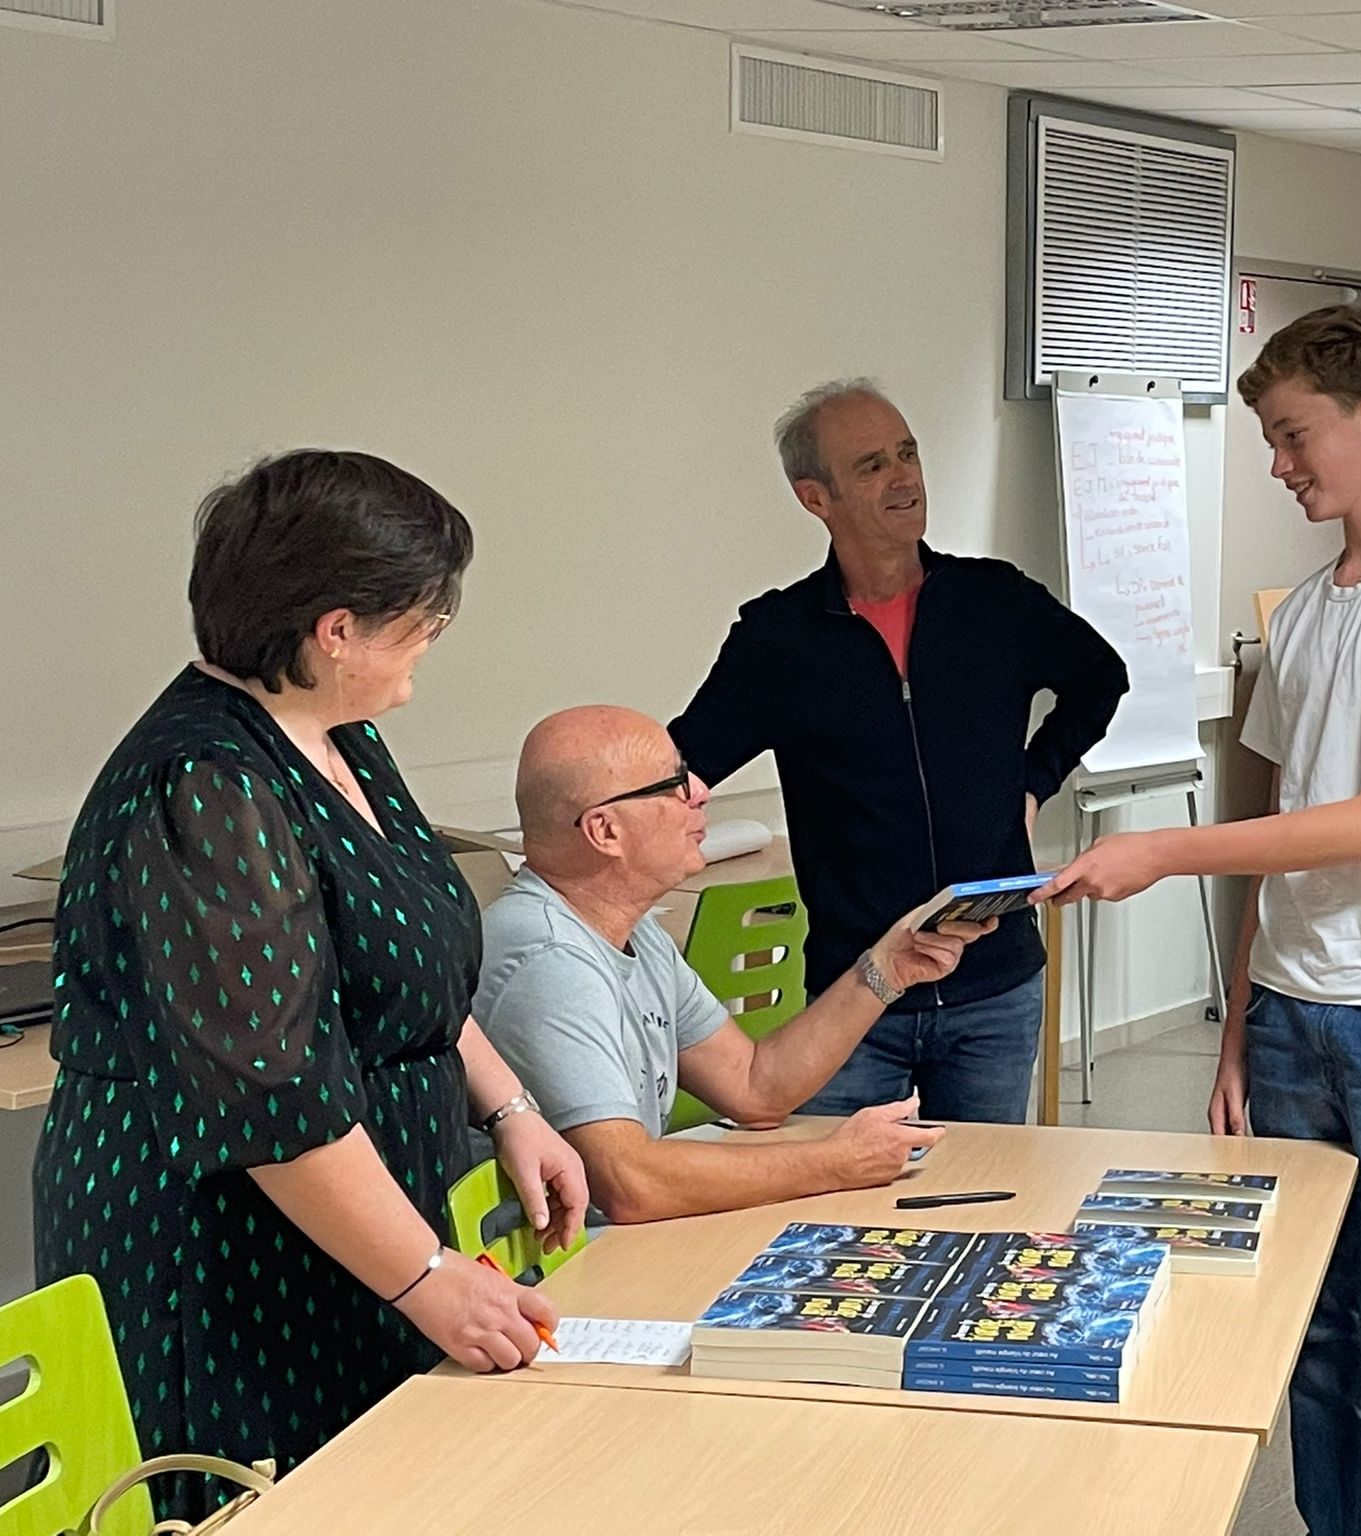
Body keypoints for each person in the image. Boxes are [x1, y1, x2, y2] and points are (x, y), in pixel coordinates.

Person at [31, 452, 589, 1516]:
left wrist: (510, 1105)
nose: (433, 643)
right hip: (225, 1254)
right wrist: (422, 1278)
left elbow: (401, 965)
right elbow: (270, 1096)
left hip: (356, 1227)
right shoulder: (205, 784)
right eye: (420, 622)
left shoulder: (343, 738)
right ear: (336, 631)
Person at [1039, 304, 1361, 1536]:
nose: (1278, 463)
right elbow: (1283, 836)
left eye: (1293, 433)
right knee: (1308, 1344)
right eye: (1267, 437)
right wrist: (1239, 1026)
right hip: (1295, 1013)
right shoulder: (1301, 617)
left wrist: (1153, 850)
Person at [669, 380, 1127, 1123]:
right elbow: (684, 766)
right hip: (855, 1002)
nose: (904, 478)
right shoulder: (780, 640)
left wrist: (1034, 780)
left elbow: (1100, 679)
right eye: (873, 465)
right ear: (815, 498)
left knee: (984, 1206)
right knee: (839, 1222)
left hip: (995, 989)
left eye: (908, 454)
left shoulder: (993, 602)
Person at [474, 706, 995, 1222]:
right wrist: (835, 1163)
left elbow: (754, 1088)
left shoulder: (632, 931)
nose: (700, 793)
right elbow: (626, 1183)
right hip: (561, 1276)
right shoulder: (550, 959)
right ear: (605, 831)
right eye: (674, 784)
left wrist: (888, 969)